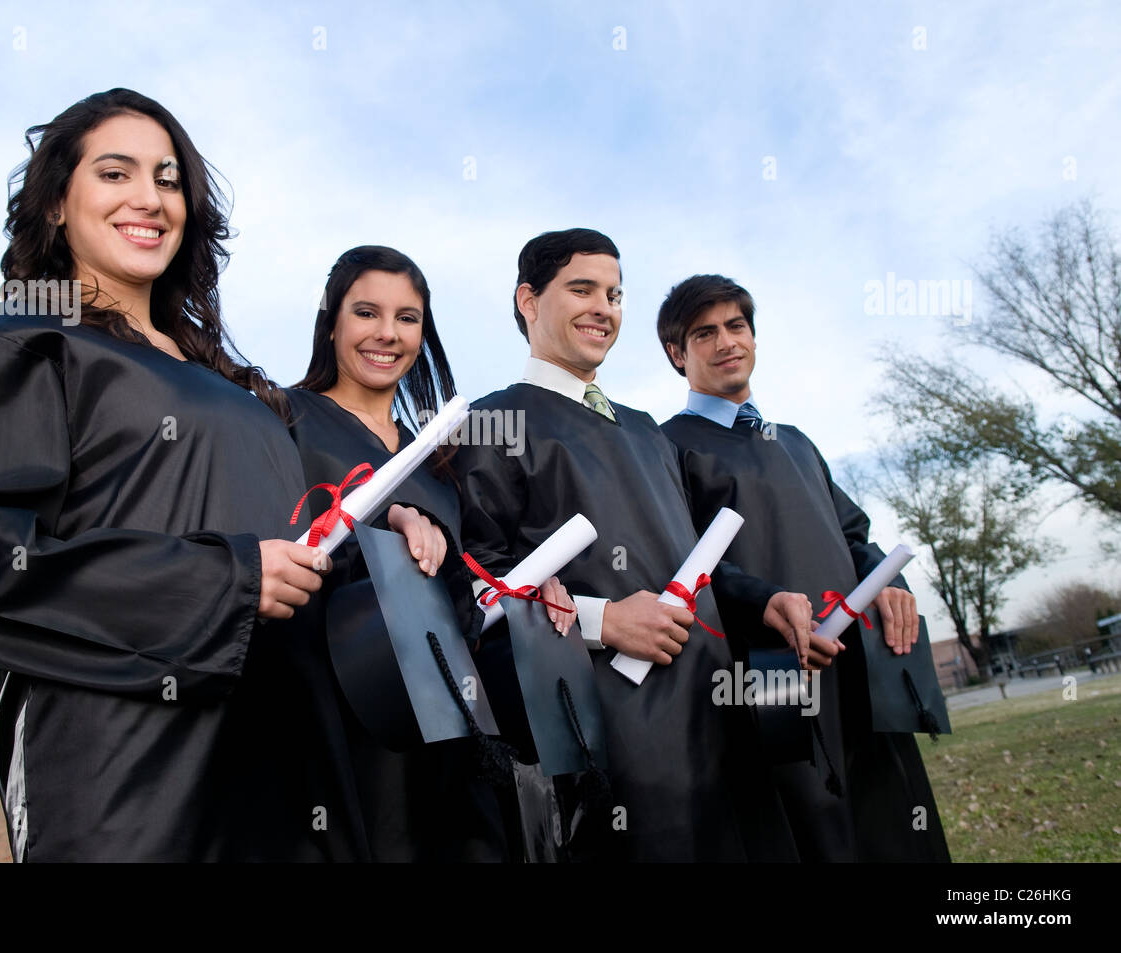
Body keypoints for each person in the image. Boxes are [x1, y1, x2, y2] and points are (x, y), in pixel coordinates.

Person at [0, 88, 363, 862]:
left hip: (287, 760)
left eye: (169, 178)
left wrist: (395, 521)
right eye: (116, 174)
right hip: (133, 772)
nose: (149, 198)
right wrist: (227, 580)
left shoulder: (236, 385)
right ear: (55, 202)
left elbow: (299, 533)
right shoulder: (21, 342)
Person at [452, 228, 806, 861]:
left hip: (720, 712)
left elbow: (695, 556)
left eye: (614, 294)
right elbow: (477, 584)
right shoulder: (495, 422)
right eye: (581, 289)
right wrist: (604, 620)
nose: (604, 308)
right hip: (617, 733)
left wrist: (763, 600)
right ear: (528, 302)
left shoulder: (647, 431)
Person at [657, 273, 950, 861]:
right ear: (677, 353)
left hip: (860, 671)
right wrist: (763, 601)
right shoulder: (668, 447)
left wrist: (889, 583)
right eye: (704, 333)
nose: (725, 343)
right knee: (814, 834)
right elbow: (686, 563)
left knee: (895, 832)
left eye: (736, 326)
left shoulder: (795, 441)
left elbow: (853, 534)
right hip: (767, 678)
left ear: (754, 338)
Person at [286, 245, 530, 860]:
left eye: (408, 317)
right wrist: (378, 519)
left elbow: (465, 597)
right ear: (332, 321)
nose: (387, 334)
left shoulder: (440, 463)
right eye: (366, 312)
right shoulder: (284, 420)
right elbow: (279, 547)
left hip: (442, 721)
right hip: (335, 715)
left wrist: (525, 590)